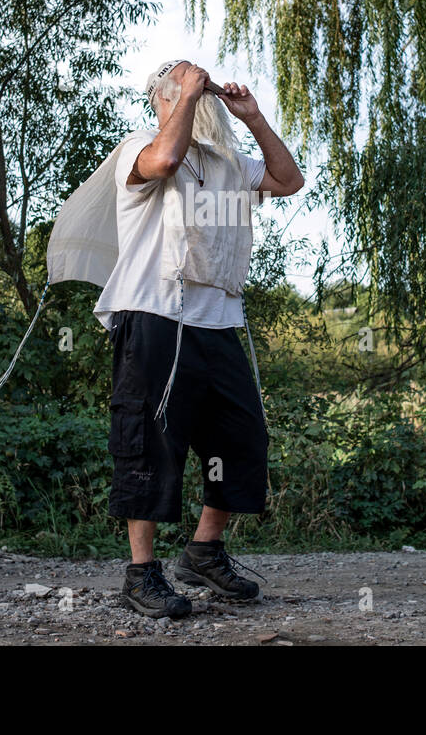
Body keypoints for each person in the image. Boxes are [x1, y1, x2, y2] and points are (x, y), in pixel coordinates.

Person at [94, 59, 304, 618]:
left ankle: (204, 552)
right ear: (163, 101)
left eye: (193, 93)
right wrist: (186, 93)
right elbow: (165, 159)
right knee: (150, 444)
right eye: (176, 93)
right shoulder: (140, 149)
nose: (188, 99)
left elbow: (289, 180)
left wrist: (254, 117)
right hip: (154, 316)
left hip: (219, 324)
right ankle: (141, 575)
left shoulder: (230, 165)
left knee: (242, 442)